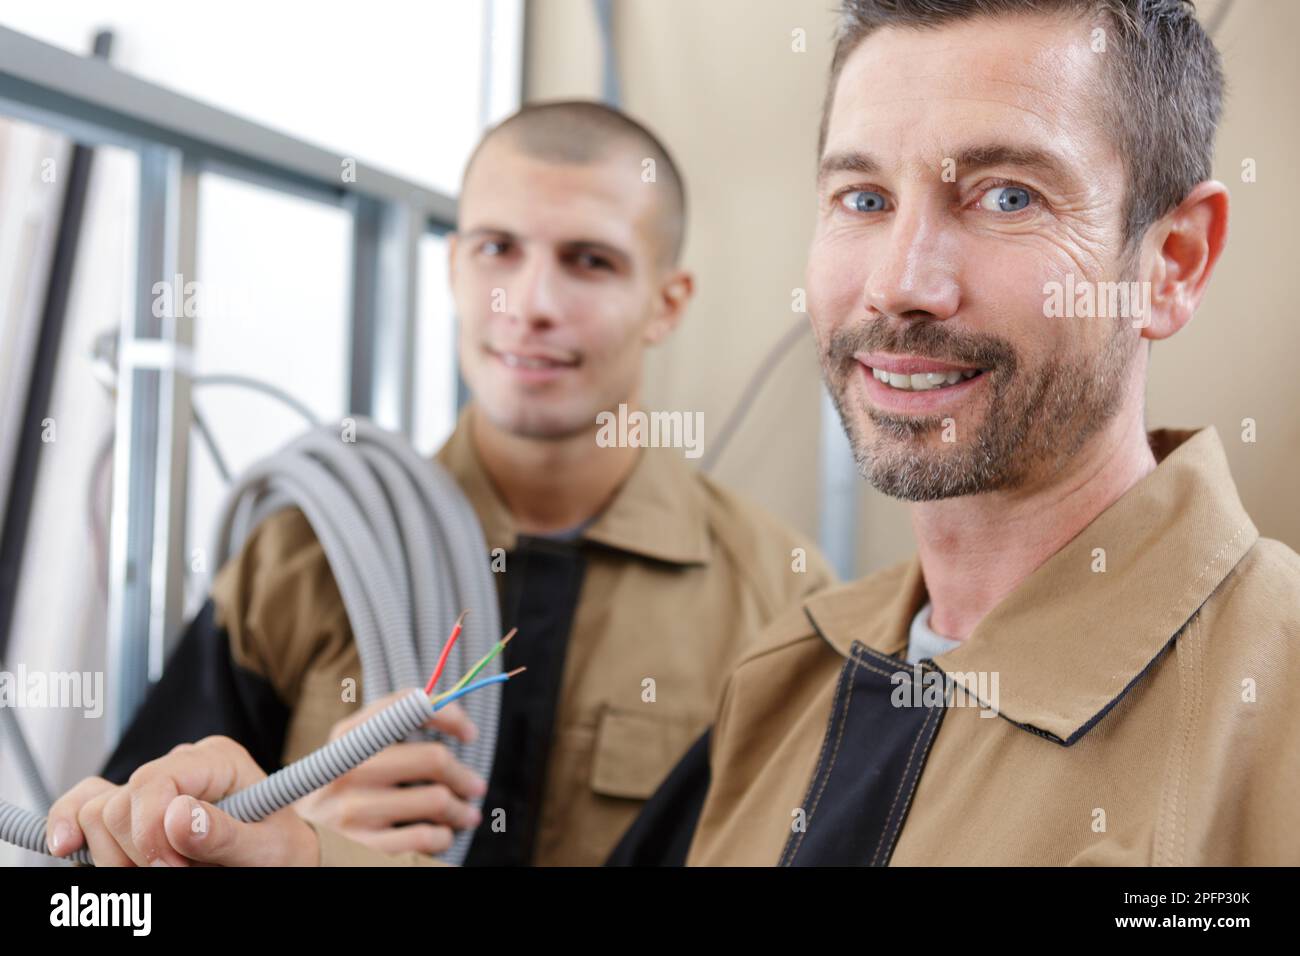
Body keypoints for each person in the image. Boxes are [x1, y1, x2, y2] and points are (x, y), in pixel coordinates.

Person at [45, 101, 834, 868]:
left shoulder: (777, 604)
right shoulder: (305, 555)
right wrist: (289, 842)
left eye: (589, 261)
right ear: (455, 265)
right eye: (498, 249)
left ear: (666, 303)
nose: (530, 305)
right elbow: (114, 889)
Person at [680, 0, 1300, 865]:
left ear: (1172, 263)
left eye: (1007, 197)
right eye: (864, 198)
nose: (900, 284)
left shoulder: (1281, 702)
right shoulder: (784, 675)